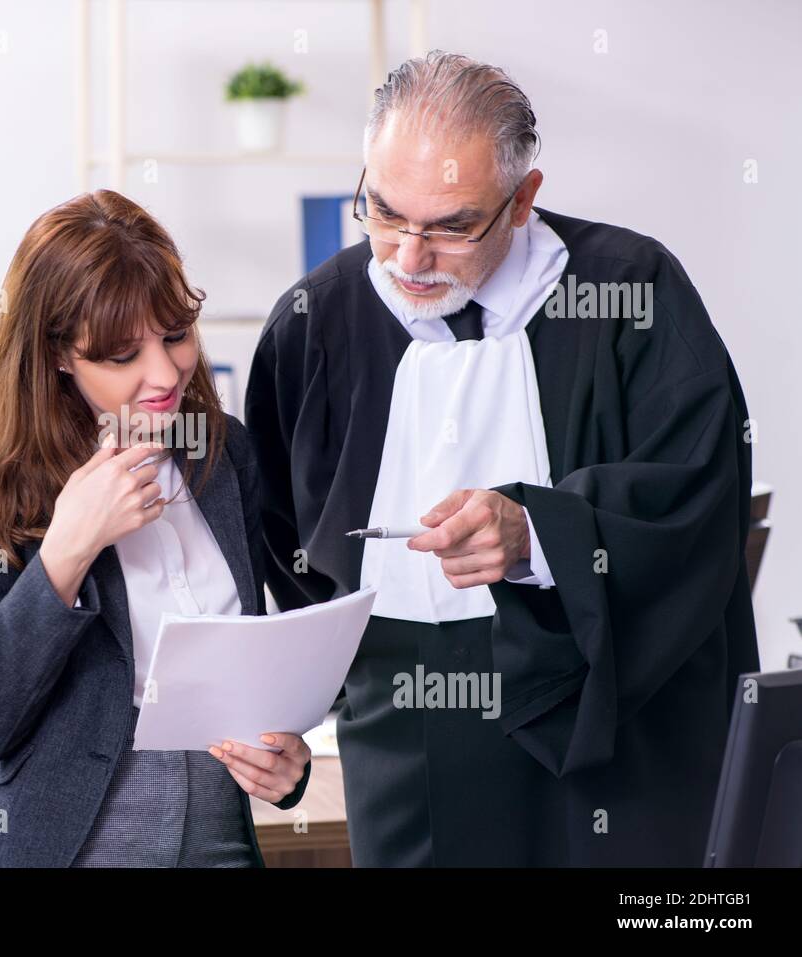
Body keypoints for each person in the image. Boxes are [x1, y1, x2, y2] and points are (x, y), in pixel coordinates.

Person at [245, 50, 759, 866]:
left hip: (611, 731)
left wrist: (537, 534)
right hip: (403, 743)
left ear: (523, 200)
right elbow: (281, 531)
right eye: (383, 213)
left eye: (451, 226)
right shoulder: (316, 320)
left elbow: (699, 497)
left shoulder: (631, 291)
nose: (408, 259)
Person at [0, 189, 312, 867]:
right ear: (57, 354)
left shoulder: (224, 453)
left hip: (217, 844)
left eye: (175, 335)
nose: (164, 373)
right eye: (122, 355)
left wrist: (286, 762)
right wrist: (67, 551)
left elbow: (251, 668)